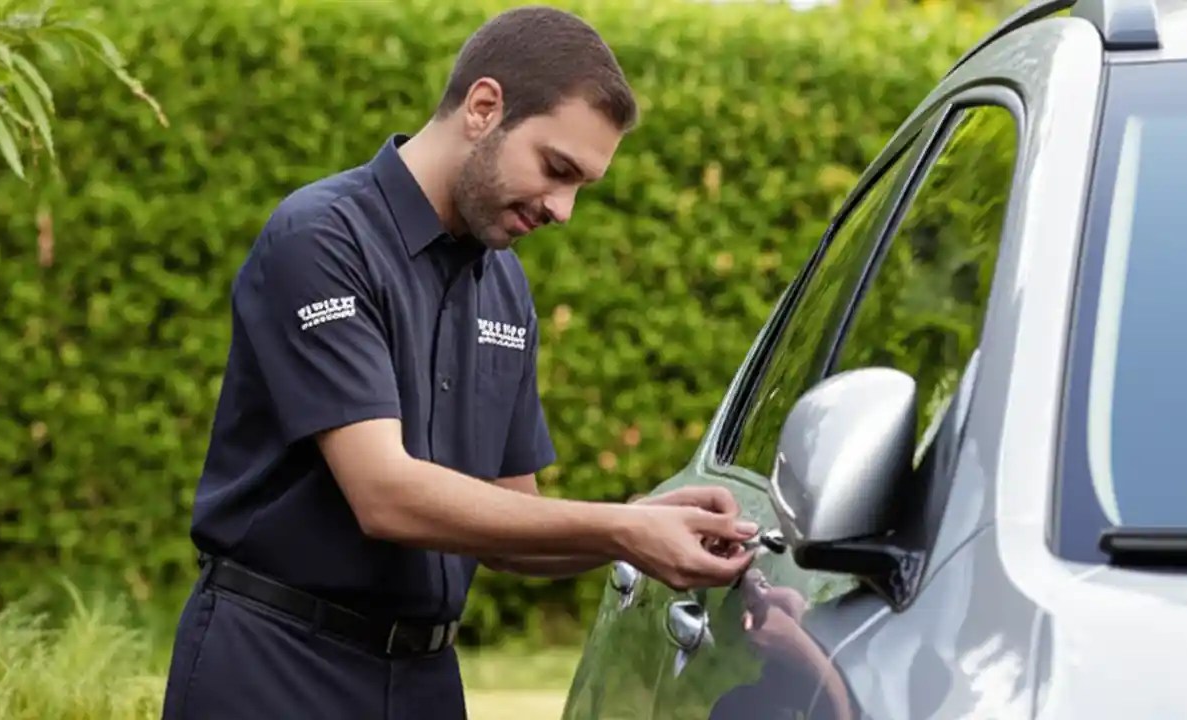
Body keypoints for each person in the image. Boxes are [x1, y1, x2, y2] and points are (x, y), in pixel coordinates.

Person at [159, 5, 759, 719]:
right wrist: (620, 530)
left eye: (580, 188)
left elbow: (515, 526)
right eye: (556, 168)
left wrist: (643, 520)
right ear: (483, 107)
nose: (563, 210)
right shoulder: (321, 239)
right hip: (274, 668)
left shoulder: (504, 285)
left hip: (425, 679)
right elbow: (383, 494)